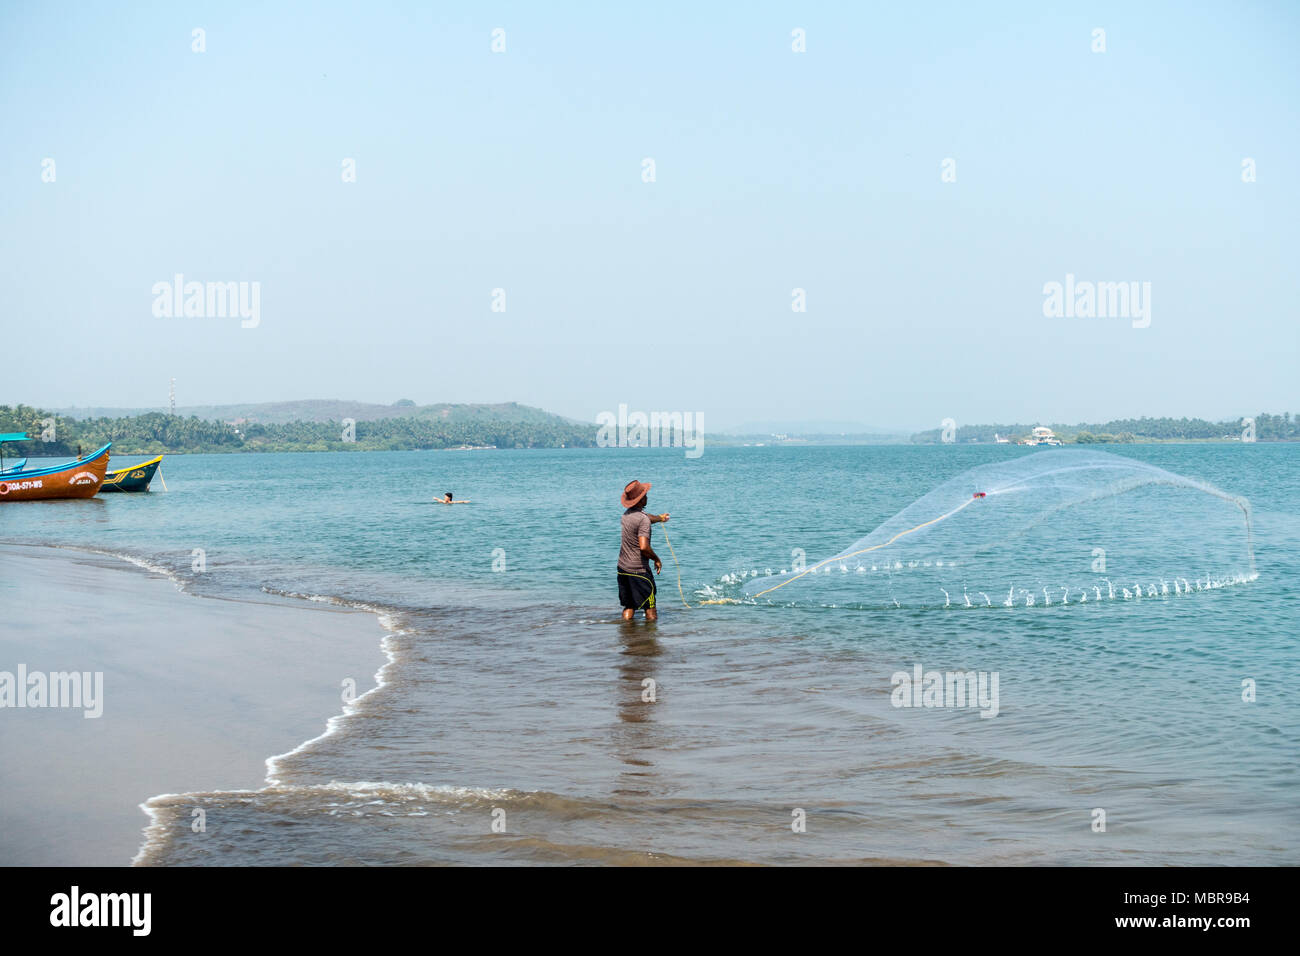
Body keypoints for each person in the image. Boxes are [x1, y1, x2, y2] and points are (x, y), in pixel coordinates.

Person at [617, 479, 669, 621]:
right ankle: (650, 642)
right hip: (639, 571)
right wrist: (657, 559)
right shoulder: (643, 520)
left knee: (629, 606)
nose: (647, 497)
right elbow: (644, 547)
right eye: (644, 495)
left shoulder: (626, 515)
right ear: (640, 500)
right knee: (650, 609)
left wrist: (660, 518)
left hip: (622, 569)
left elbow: (644, 518)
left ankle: (626, 637)